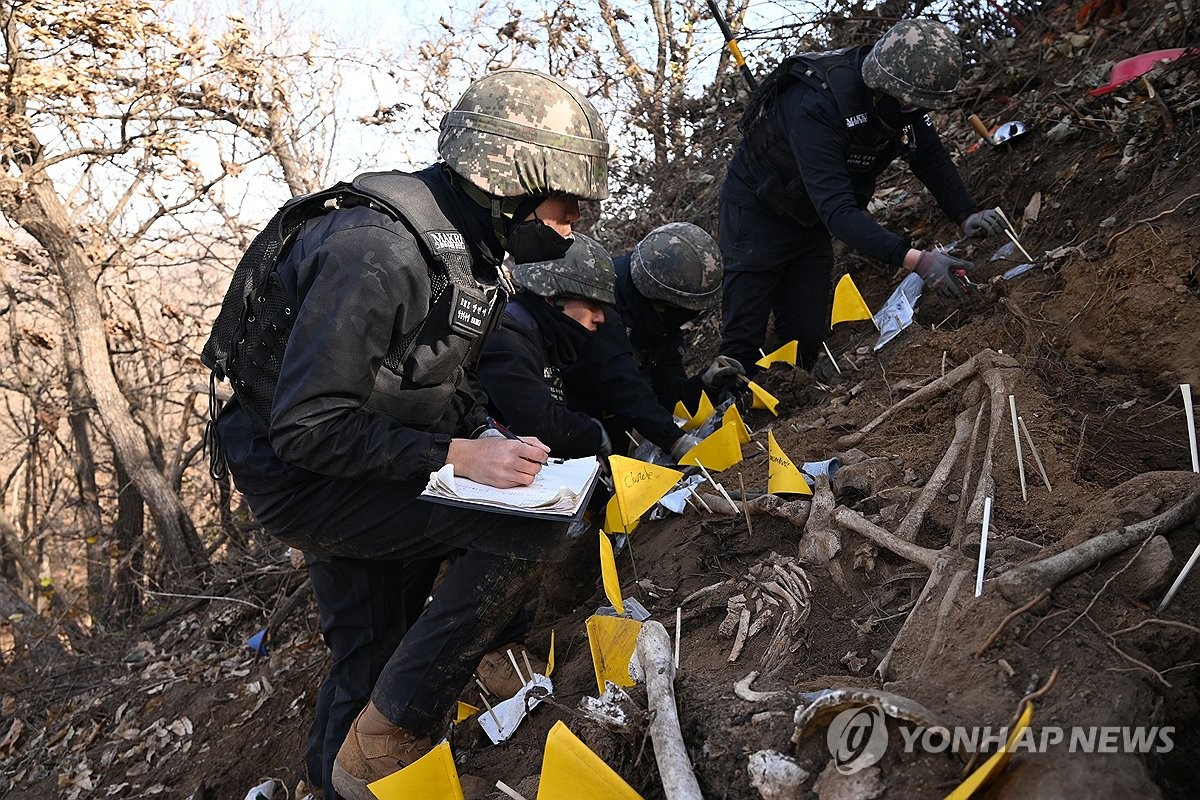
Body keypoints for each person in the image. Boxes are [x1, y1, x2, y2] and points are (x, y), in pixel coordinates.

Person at [208, 69, 609, 800]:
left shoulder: (466, 249)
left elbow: (439, 377)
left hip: (375, 457)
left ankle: (336, 781)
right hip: (307, 475)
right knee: (521, 530)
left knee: (370, 655)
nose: (574, 221)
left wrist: (484, 432)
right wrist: (458, 456)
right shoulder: (376, 252)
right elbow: (308, 427)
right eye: (565, 202)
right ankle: (390, 745)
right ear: (512, 181)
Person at [716, 18, 1007, 373]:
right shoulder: (817, 105)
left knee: (805, 336)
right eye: (909, 106)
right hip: (757, 213)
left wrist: (965, 213)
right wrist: (917, 260)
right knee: (744, 337)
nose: (915, 113)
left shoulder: (908, 97)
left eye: (922, 107)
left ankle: (794, 389)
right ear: (881, 87)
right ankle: (728, 396)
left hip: (810, 217)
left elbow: (930, 157)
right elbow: (838, 212)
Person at [560, 223, 733, 462]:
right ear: (661, 301)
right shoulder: (599, 302)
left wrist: (704, 385)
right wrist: (674, 440)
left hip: (610, 422)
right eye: (684, 311)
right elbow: (622, 383)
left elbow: (668, 396)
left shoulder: (659, 322)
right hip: (566, 425)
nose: (687, 317)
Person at [475, 233, 619, 458]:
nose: (600, 317)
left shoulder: (544, 336)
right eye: (592, 303)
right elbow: (541, 424)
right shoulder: (506, 337)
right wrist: (593, 434)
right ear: (552, 298)